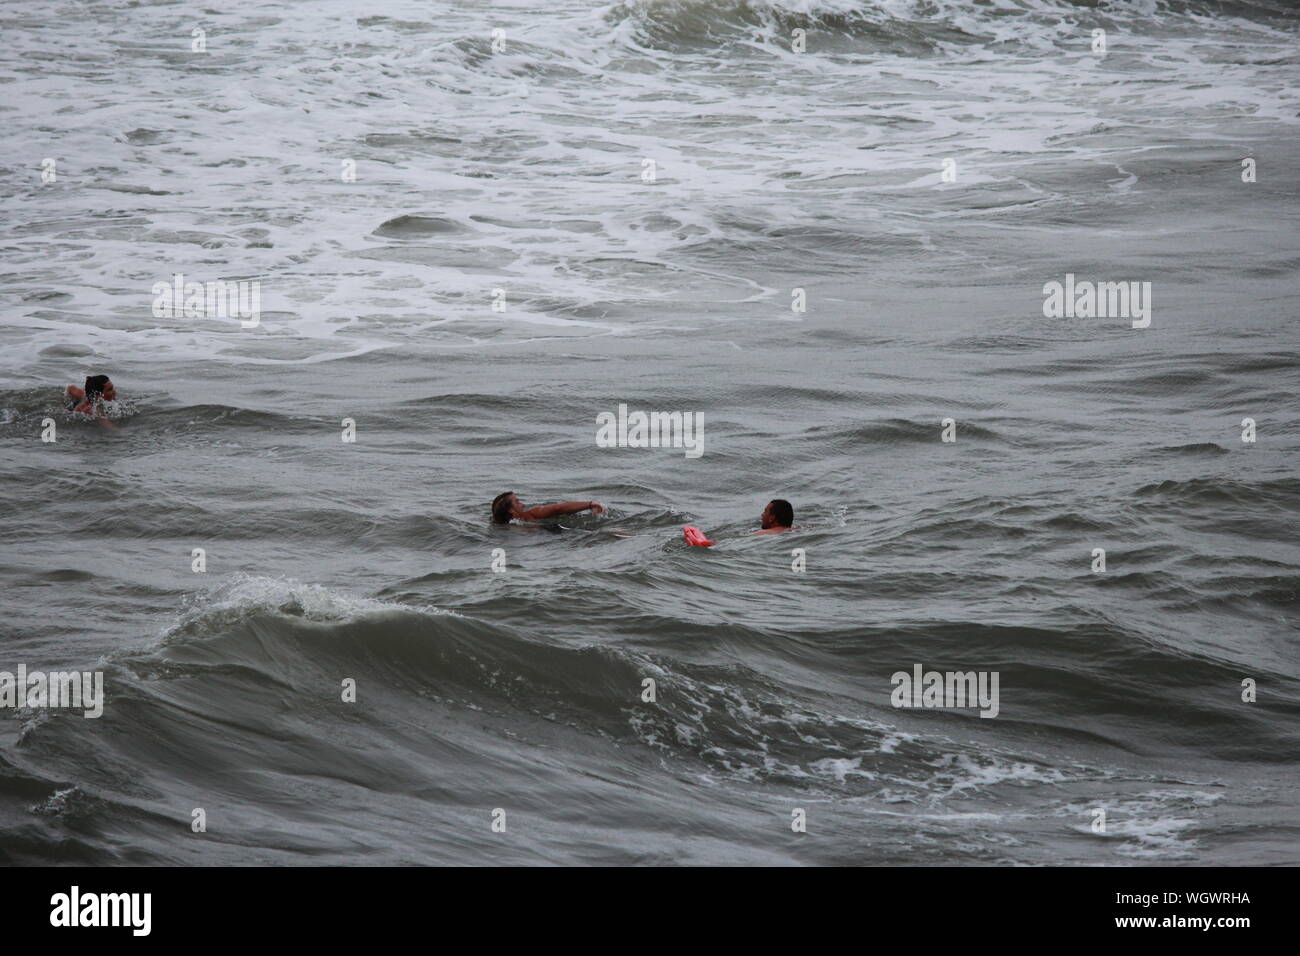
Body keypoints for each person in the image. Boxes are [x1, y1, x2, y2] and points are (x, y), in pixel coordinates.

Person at [491, 492, 605, 525]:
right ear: (510, 510)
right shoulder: (531, 514)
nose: (523, 505)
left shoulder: (501, 527)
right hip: (558, 537)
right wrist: (590, 504)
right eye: (517, 502)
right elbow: (558, 508)